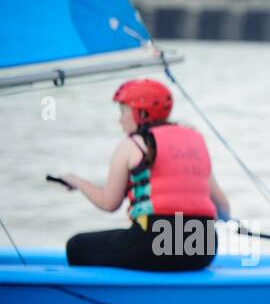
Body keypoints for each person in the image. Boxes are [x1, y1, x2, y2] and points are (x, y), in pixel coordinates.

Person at [55, 79, 230, 271]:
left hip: (154, 246)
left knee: (77, 246)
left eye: (123, 112)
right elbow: (222, 207)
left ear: (142, 113)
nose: (120, 119)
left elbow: (109, 203)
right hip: (202, 249)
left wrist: (77, 182)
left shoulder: (133, 144)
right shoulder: (194, 142)